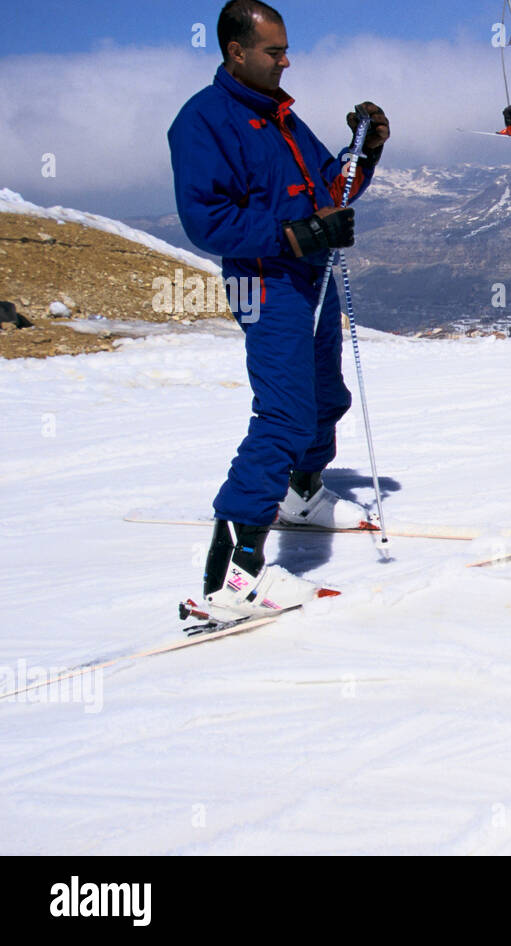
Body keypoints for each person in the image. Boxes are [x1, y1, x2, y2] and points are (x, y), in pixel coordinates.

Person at [168, 0, 390, 621]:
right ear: (236, 51)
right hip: (264, 282)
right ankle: (229, 579)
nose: (286, 60)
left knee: (322, 392)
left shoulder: (281, 117)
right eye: (274, 51)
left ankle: (301, 492)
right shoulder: (203, 121)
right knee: (284, 414)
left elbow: (329, 186)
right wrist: (294, 235)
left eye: (286, 49)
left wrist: (365, 151)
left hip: (306, 276)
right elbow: (206, 220)